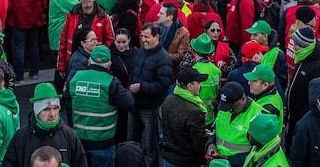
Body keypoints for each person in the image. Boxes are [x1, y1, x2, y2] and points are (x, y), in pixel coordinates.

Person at [65, 45, 134, 167]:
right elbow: (128, 103)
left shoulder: (76, 78)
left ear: (90, 60)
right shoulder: (111, 82)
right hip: (103, 143)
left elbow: (68, 97)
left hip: (79, 140)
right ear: (109, 64)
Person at [2, 83, 88, 167]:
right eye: (46, 109)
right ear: (36, 111)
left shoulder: (69, 136)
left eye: (55, 108)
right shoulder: (21, 137)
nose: (52, 114)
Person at [129, 22, 173, 167]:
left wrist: (141, 87)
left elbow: (162, 86)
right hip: (134, 104)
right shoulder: (142, 51)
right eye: (142, 37)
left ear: (157, 37)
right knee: (132, 142)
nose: (143, 40)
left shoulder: (163, 58)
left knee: (150, 145)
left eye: (147, 37)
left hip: (150, 108)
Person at [162, 66, 213, 167]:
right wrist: (207, 137)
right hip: (186, 161)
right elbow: (199, 144)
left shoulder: (168, 99)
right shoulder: (195, 112)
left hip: (168, 158)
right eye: (198, 83)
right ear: (190, 86)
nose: (201, 85)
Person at [7, 0, 48, 81]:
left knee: (20, 48)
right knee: (33, 46)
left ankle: (19, 75)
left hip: (18, 21)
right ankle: (34, 71)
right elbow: (44, 3)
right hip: (35, 20)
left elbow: (9, 5)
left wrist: (10, 18)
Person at [285, 27, 320, 140]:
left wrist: (301, 114)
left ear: (305, 46)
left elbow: (318, 97)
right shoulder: (304, 56)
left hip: (302, 118)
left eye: (296, 44)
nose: (293, 47)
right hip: (294, 115)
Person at [214, 82, 260, 165]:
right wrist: (210, 145)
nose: (229, 110)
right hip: (217, 162)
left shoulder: (258, 117)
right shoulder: (225, 109)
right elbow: (215, 131)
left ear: (243, 99)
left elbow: (259, 153)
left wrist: (230, 160)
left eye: (232, 106)